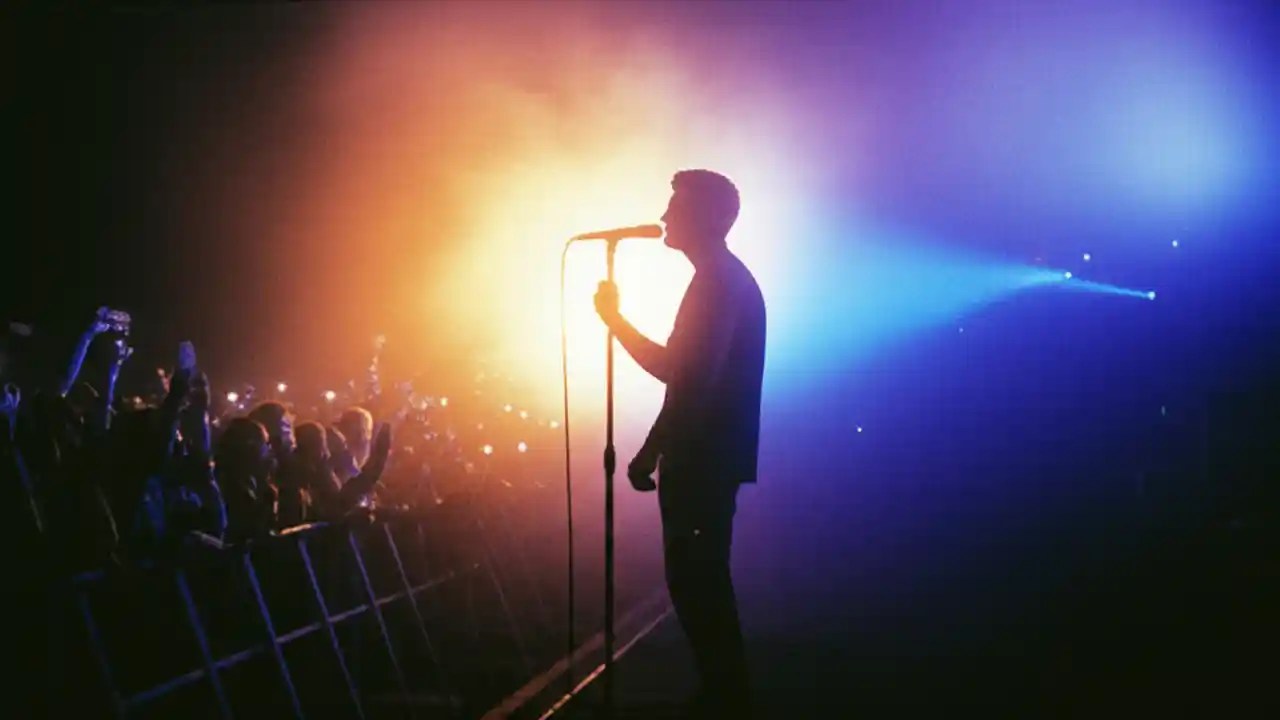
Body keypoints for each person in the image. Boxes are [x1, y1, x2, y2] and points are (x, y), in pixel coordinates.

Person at [593, 169, 766, 716]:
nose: (666, 217)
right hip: (705, 455)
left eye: (678, 207)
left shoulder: (718, 283)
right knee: (697, 579)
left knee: (699, 581)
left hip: (703, 458)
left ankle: (726, 697)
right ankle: (722, 693)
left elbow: (685, 375)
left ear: (713, 217)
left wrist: (615, 321)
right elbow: (689, 377)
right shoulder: (716, 280)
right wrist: (653, 448)